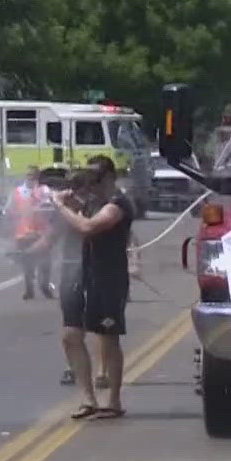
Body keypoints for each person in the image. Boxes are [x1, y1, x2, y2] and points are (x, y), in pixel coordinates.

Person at [53, 157, 133, 420]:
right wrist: (68, 200)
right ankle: (88, 399)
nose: (92, 185)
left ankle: (113, 401)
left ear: (110, 177)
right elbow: (78, 216)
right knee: (70, 335)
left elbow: (88, 227)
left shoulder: (117, 204)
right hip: (79, 275)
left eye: (97, 179)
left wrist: (60, 206)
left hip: (108, 278)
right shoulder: (90, 202)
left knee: (108, 338)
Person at [7, 168, 56, 300]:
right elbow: (8, 210)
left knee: (45, 264)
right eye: (28, 176)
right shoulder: (17, 192)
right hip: (23, 234)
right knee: (27, 265)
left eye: (33, 176)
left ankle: (44, 286)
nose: (30, 179)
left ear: (38, 178)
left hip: (41, 235)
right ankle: (29, 290)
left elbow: (51, 206)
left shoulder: (44, 191)